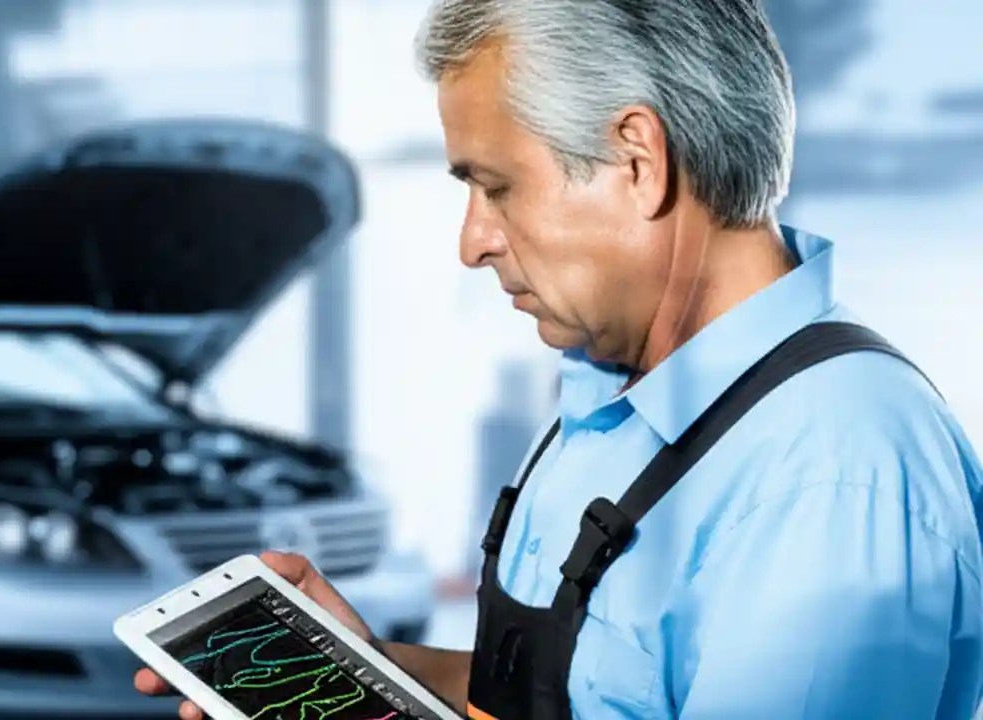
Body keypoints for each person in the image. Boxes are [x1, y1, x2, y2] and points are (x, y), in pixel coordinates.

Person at [137, 0, 983, 717]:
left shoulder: (833, 475)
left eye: (496, 187)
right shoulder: (618, 401)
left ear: (637, 161)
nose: (473, 242)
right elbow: (590, 694)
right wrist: (373, 673)